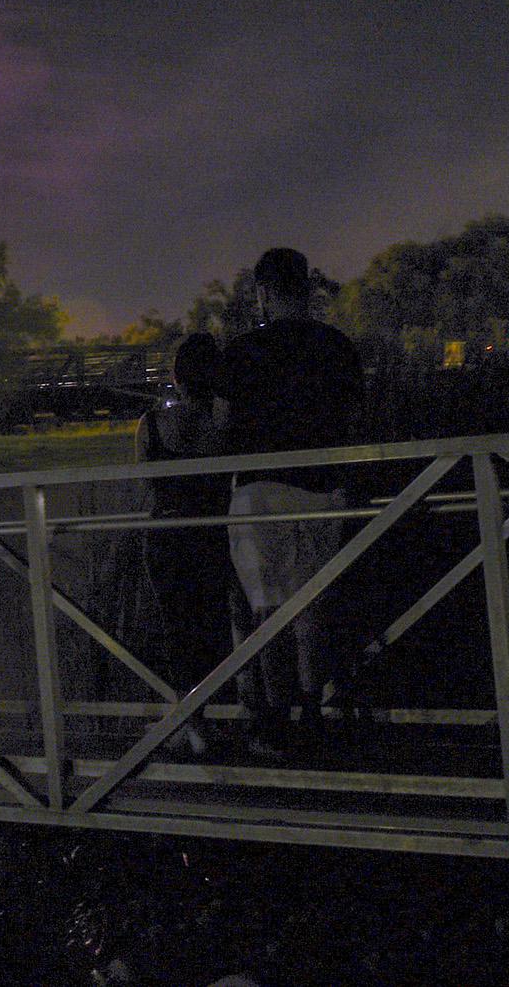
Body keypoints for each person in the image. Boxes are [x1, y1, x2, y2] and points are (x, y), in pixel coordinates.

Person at [220, 247, 363, 758]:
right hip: (322, 490)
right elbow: (353, 420)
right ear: (306, 287)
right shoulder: (337, 347)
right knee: (315, 608)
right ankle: (316, 708)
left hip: (260, 495)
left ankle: (275, 720)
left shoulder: (239, 354)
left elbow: (224, 426)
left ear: (262, 293)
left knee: (267, 610)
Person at [136, 332, 236, 757]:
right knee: (214, 628)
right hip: (213, 536)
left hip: (165, 535)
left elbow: (145, 480)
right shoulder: (223, 424)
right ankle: (212, 715)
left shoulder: (151, 424)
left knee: (174, 631)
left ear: (176, 376)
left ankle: (190, 720)